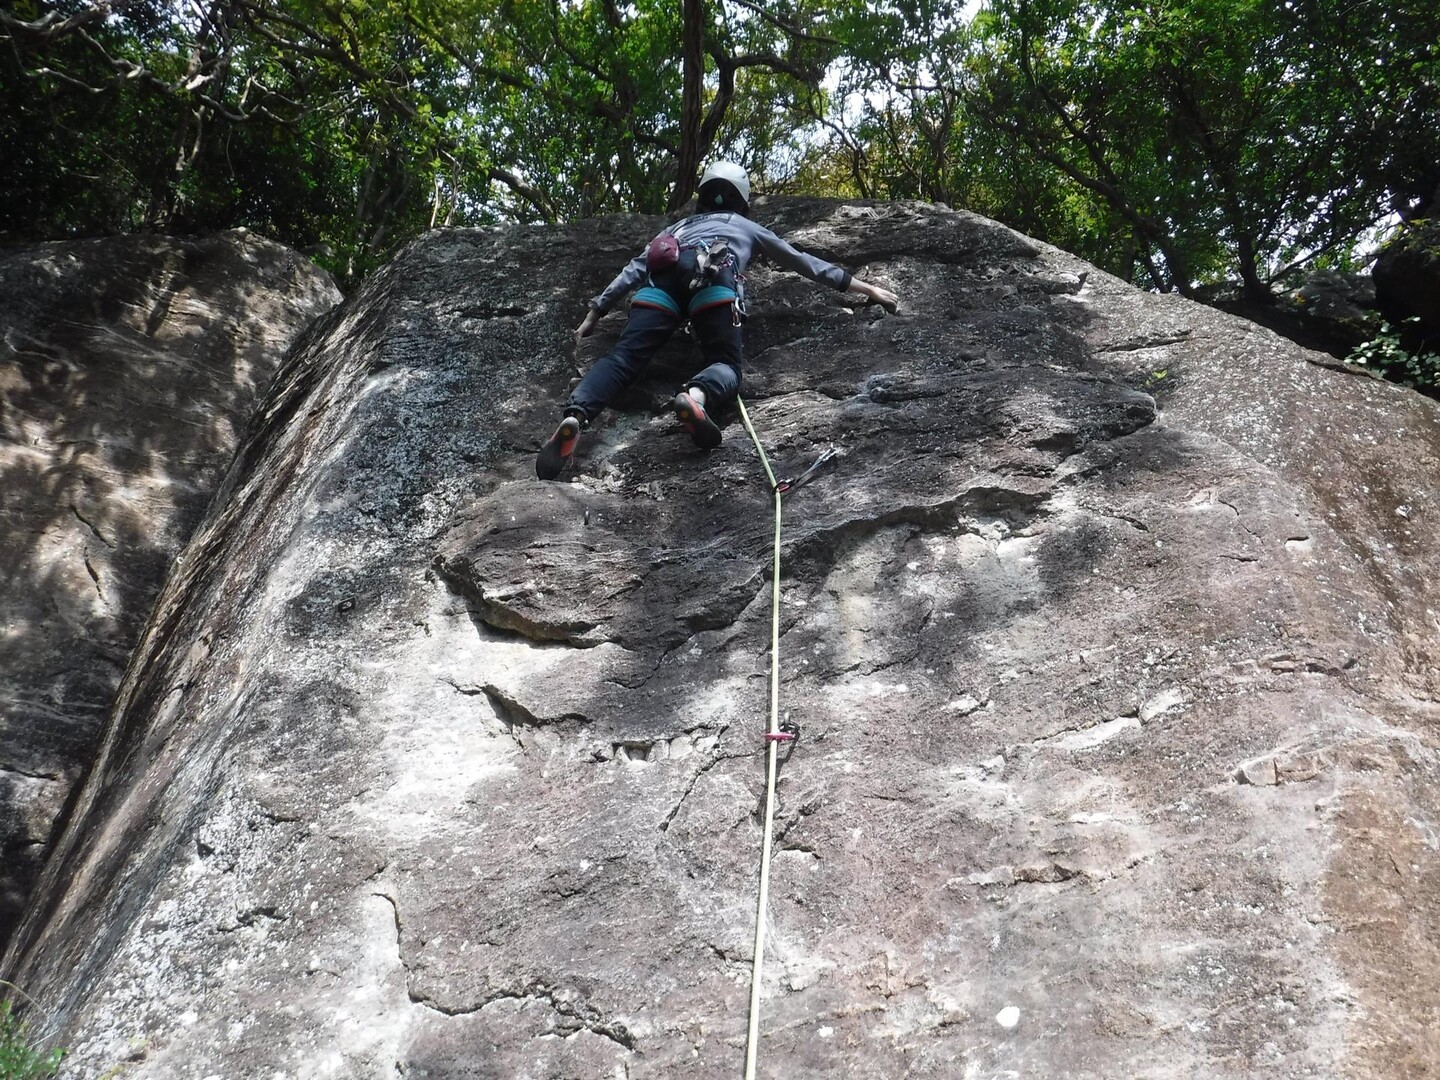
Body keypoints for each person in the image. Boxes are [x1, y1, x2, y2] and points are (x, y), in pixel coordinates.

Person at [536, 161, 900, 479]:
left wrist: (594, 313)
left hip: (657, 291)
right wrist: (867, 289)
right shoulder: (744, 226)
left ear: (702, 196)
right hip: (714, 284)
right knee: (724, 363)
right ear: (742, 201)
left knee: (623, 359)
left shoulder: (674, 230)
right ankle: (695, 397)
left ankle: (576, 415)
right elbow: (802, 262)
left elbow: (634, 269)